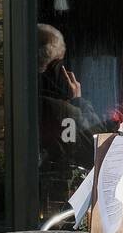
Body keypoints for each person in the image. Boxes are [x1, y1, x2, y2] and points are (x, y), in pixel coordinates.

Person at [38, 23, 103, 172]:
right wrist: (78, 101)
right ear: (57, 67)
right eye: (61, 64)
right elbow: (99, 148)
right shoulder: (64, 111)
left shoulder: (22, 100)